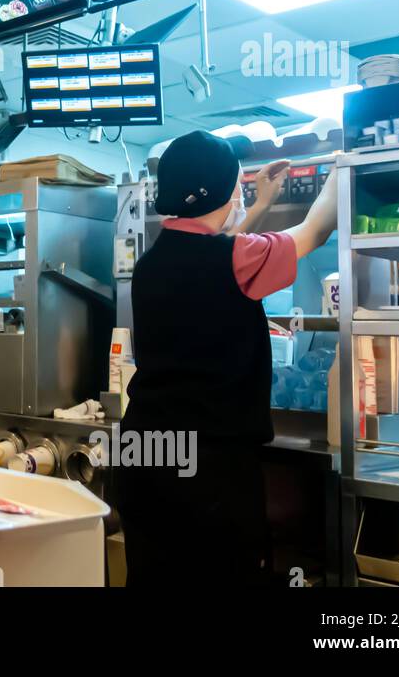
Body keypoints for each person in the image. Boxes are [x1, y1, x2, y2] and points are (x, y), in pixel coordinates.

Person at [115, 130, 338, 587]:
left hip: (142, 455)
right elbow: (316, 230)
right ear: (225, 190)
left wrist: (258, 203)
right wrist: (343, 168)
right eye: (237, 183)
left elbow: (216, 253)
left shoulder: (151, 263)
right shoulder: (235, 257)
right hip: (206, 469)